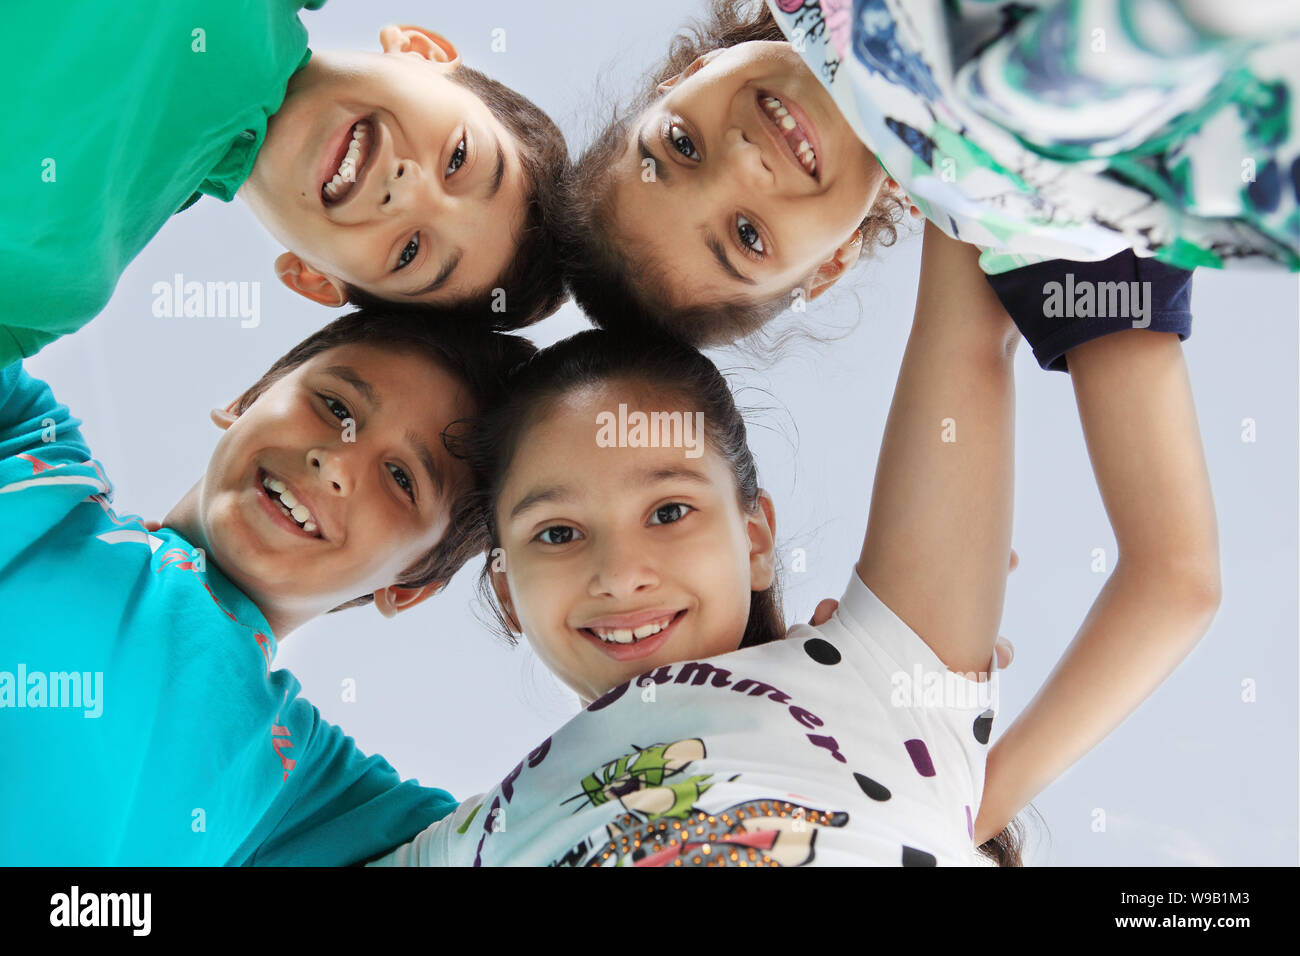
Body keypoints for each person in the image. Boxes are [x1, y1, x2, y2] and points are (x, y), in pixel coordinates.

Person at [0, 310, 534, 865]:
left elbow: (570, 822)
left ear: (411, 586)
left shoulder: (311, 797)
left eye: (402, 479)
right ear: (245, 399)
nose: (336, 464)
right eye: (335, 406)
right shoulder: (31, 453)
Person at [559, 0, 1298, 345]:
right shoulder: (994, 229)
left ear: (691, 71)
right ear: (832, 266)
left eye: (682, 147)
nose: (744, 163)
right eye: (747, 235)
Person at [0, 3, 569, 368]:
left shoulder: (50, 295)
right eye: (459, 158)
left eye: (413, 251)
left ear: (315, 280)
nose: (409, 193)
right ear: (424, 51)